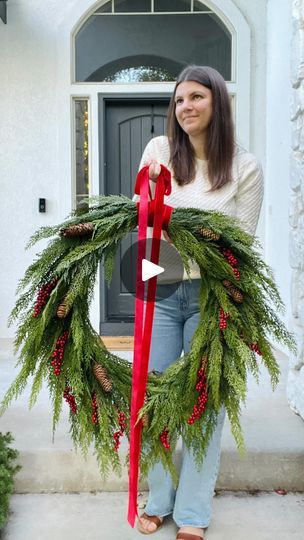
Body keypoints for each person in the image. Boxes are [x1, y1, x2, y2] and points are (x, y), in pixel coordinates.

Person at [135, 65, 264, 540]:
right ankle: (159, 498)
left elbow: (242, 246)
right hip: (165, 290)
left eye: (196, 98)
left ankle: (191, 513)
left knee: (203, 405)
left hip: (212, 295)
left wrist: (231, 309)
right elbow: (146, 228)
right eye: (179, 99)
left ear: (218, 104)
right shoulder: (160, 152)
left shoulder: (244, 167)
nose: (185, 107)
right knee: (157, 400)